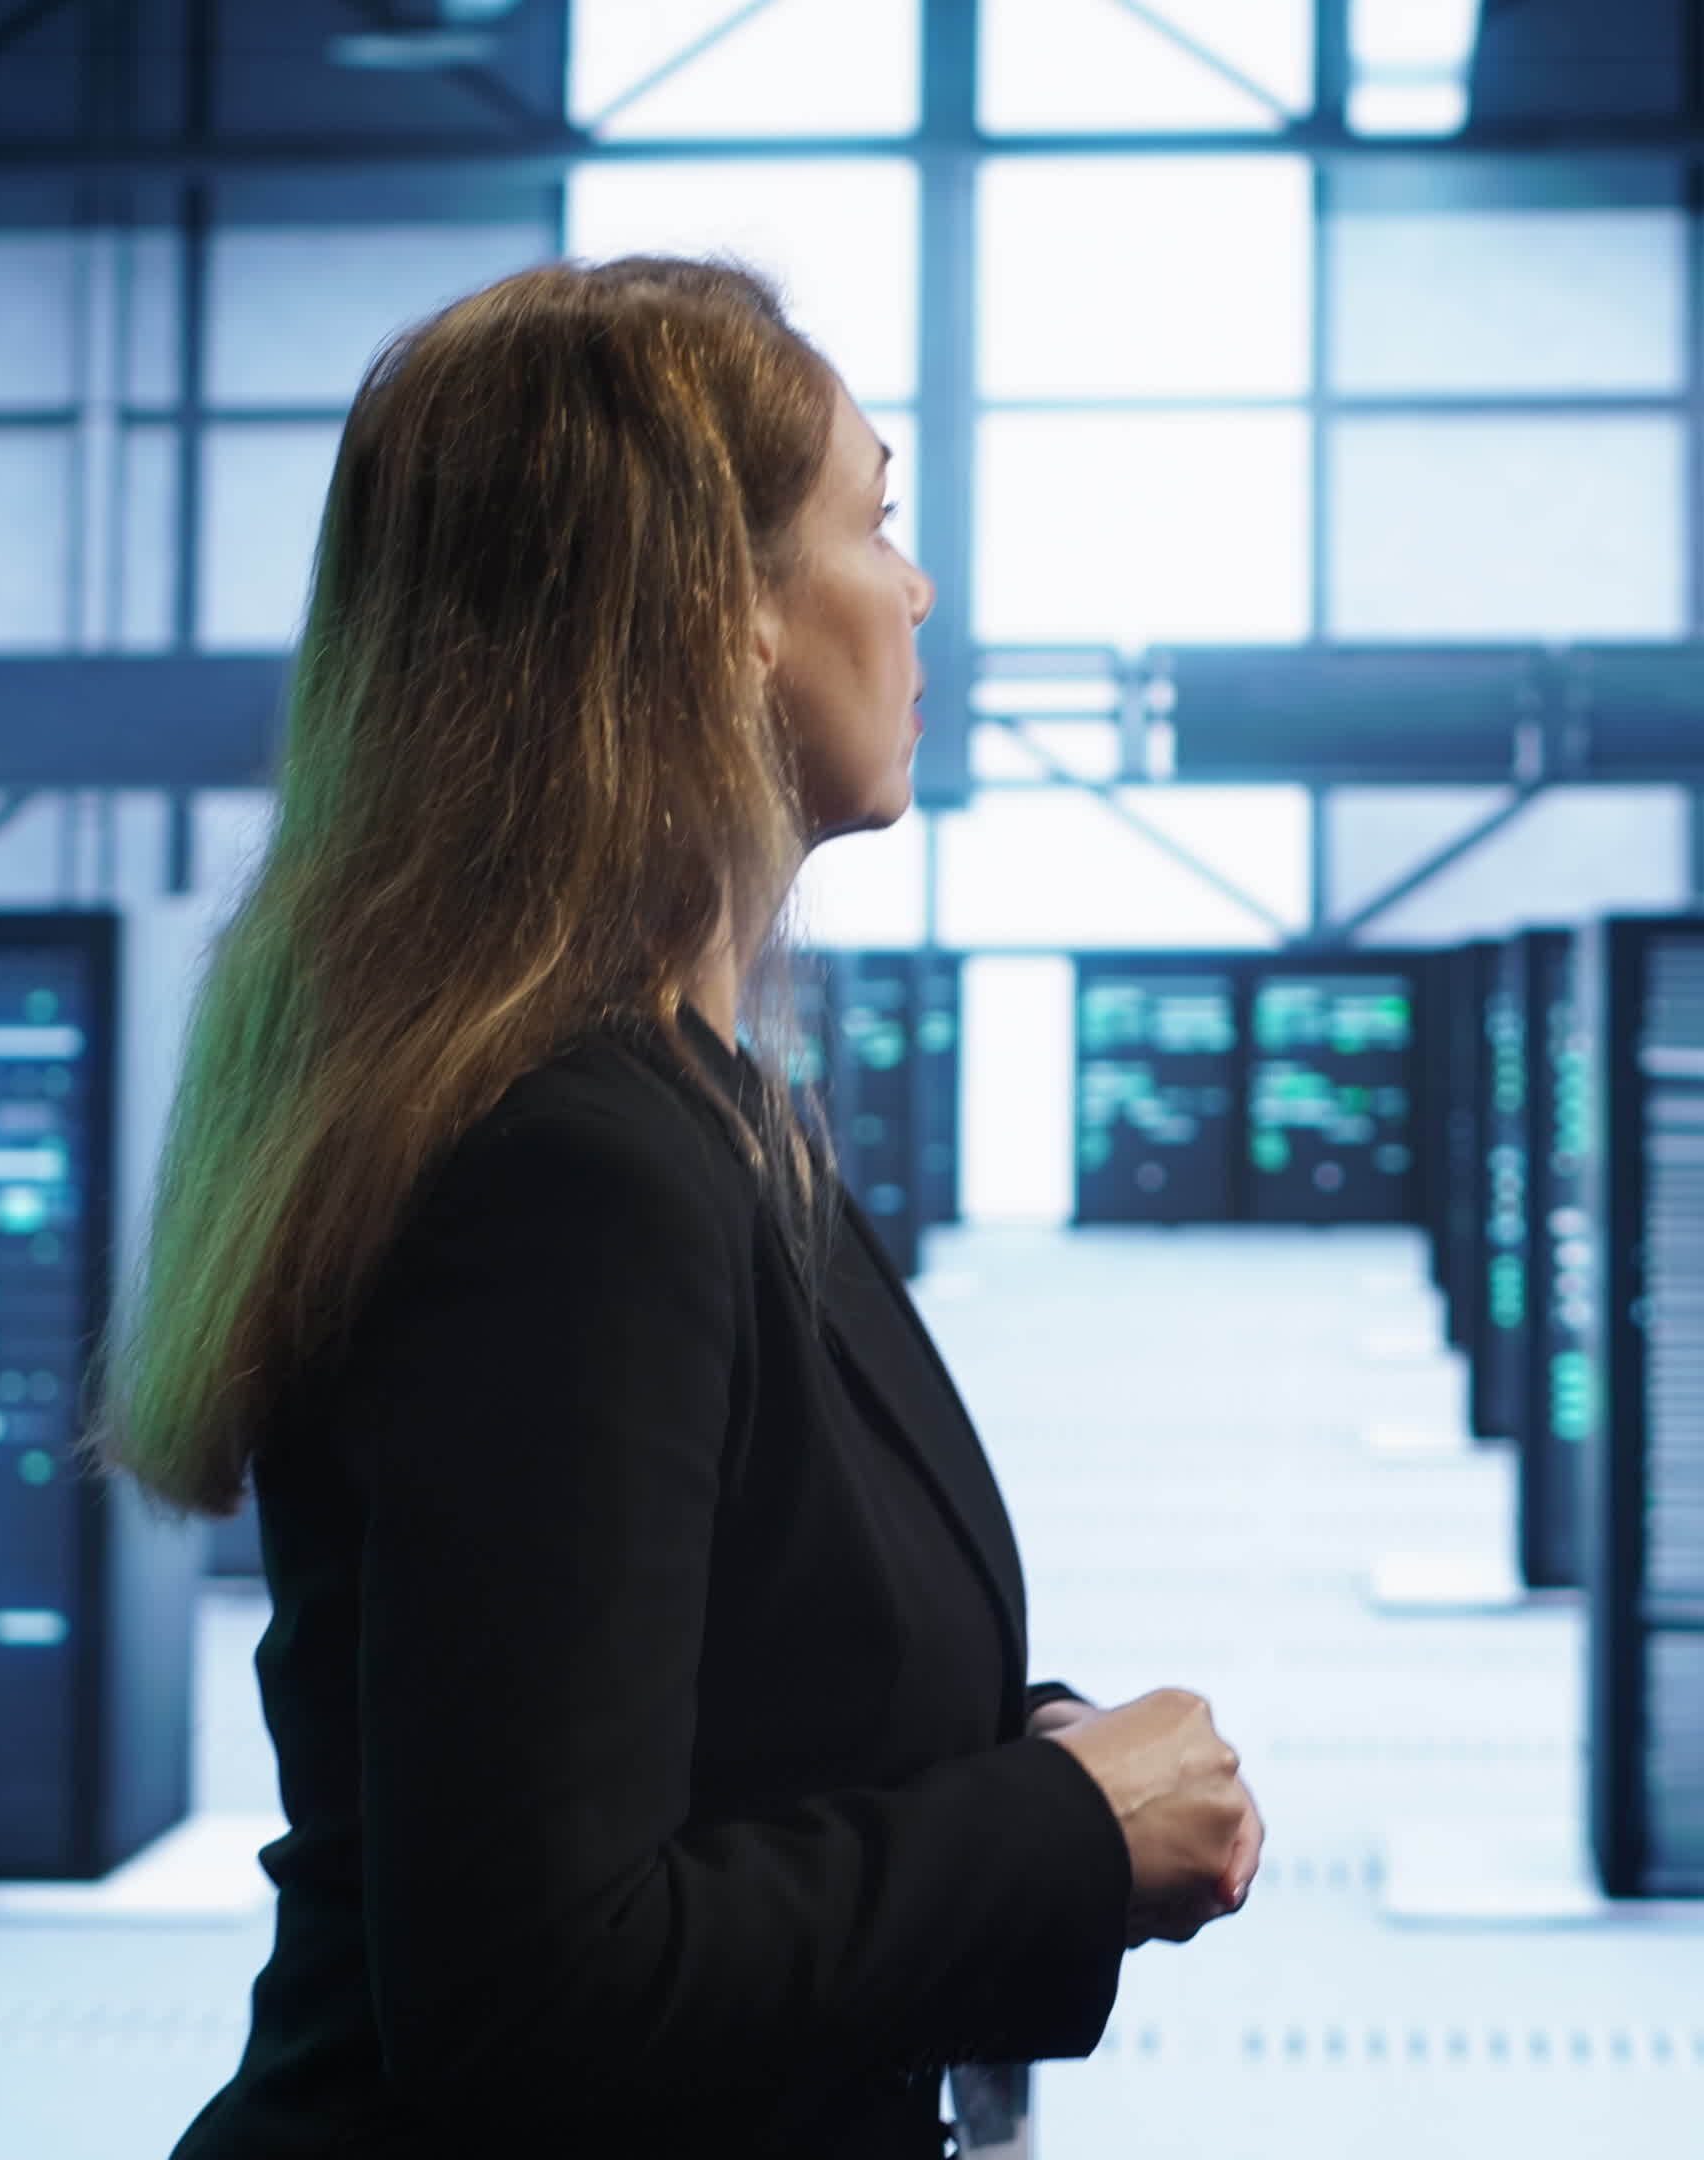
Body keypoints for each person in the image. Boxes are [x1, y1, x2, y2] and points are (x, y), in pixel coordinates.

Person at [95, 256, 1261, 2158]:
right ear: (716, 614)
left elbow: (707, 1700)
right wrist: (1070, 1831)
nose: (920, 589)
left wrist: (1013, 1753)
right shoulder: (569, 1167)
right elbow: (540, 1989)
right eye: (875, 523)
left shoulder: (686, 1110)